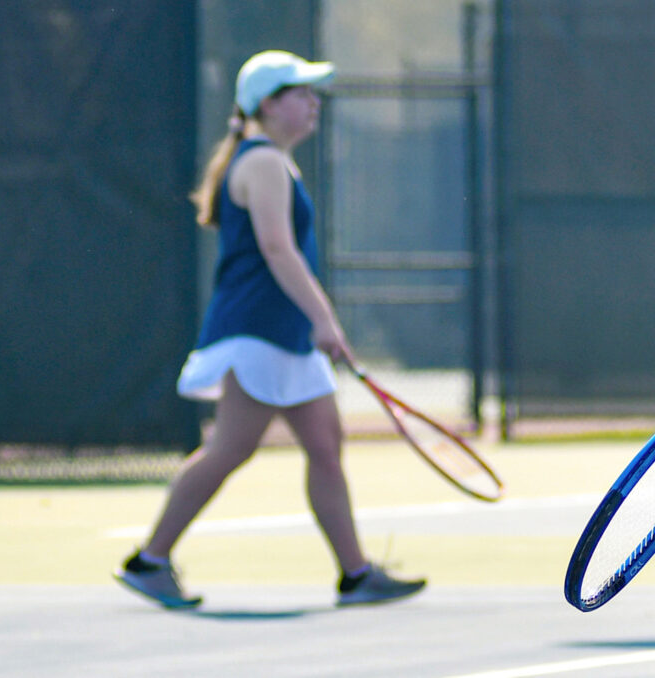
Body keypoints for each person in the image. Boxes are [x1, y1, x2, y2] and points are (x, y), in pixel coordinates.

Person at [115, 50, 425, 610]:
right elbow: (277, 249)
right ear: (266, 104)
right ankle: (150, 560)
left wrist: (312, 325)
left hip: (284, 335)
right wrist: (324, 319)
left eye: (313, 93)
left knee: (326, 446)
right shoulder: (261, 164)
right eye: (300, 93)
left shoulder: (273, 162)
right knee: (230, 448)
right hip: (257, 331)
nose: (313, 104)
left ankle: (356, 574)